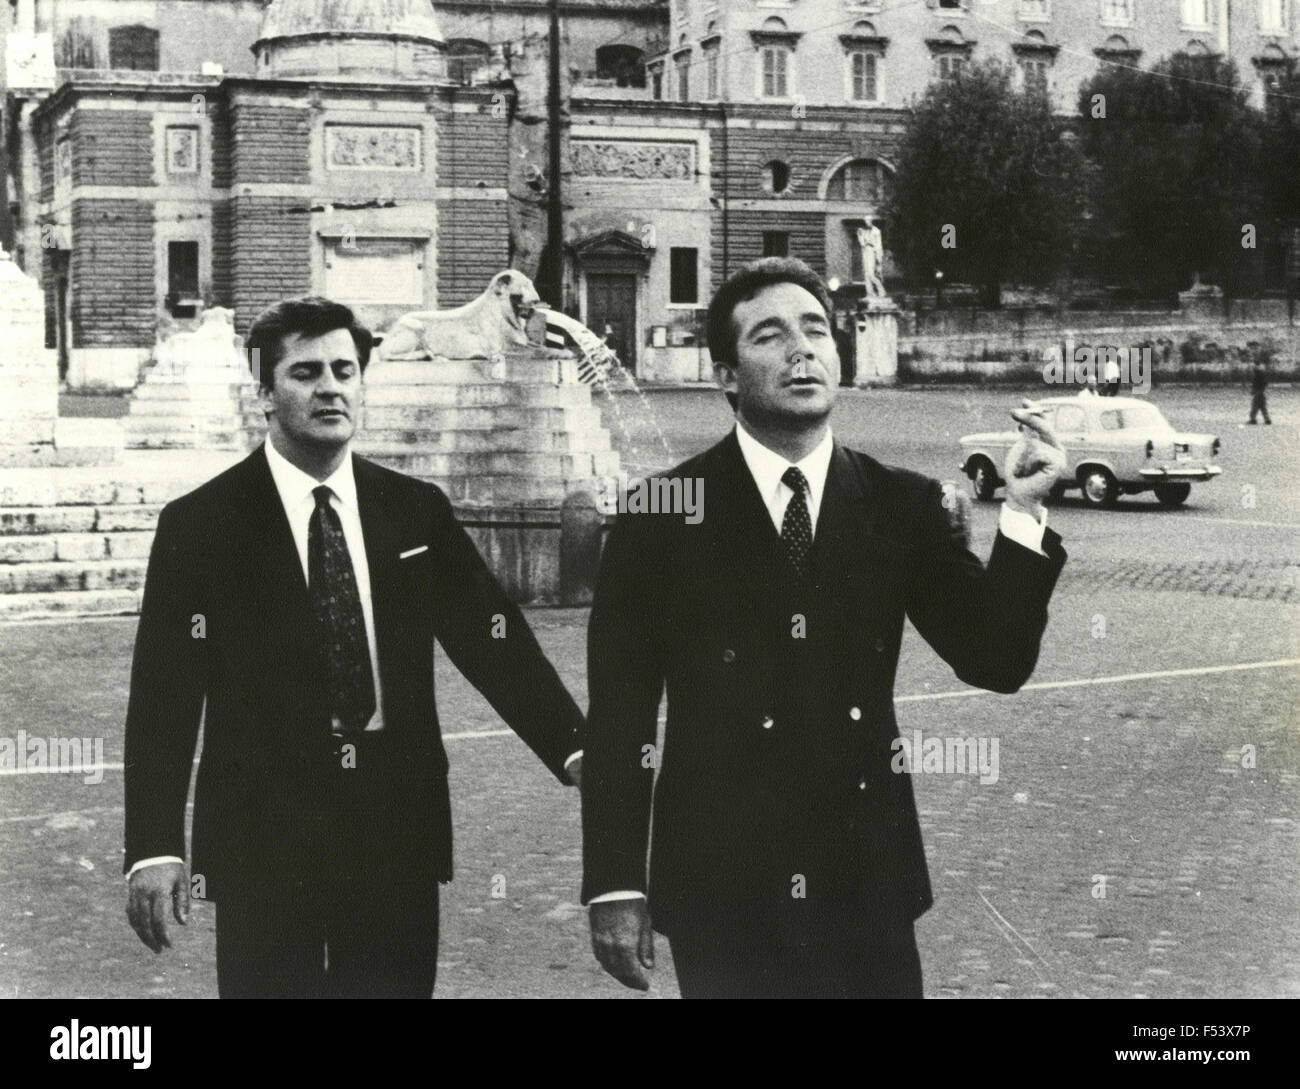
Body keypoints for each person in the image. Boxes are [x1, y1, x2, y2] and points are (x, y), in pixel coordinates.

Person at [580, 258, 1068, 999]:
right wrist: (614, 883)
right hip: (725, 885)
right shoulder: (661, 513)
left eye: (815, 331)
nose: (801, 350)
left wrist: (1024, 510)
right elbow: (621, 717)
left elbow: (996, 657)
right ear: (725, 375)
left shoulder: (901, 504)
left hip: (865, 879)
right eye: (770, 336)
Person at [123, 296, 585, 998]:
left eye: (345, 368)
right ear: (265, 391)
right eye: (305, 372)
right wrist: (154, 845)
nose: (331, 386)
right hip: (264, 839)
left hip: (395, 828)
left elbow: (495, 641)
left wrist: (576, 747)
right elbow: (163, 696)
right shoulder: (201, 525)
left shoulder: (414, 509)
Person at [1248, 359, 1271, 424]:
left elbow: (1255, 383)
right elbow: (1265, 382)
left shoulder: (1257, 373)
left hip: (1258, 391)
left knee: (1254, 405)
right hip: (1262, 392)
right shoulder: (1262, 372)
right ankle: (1267, 419)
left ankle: (1253, 419)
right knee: (1263, 406)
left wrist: (1253, 390)